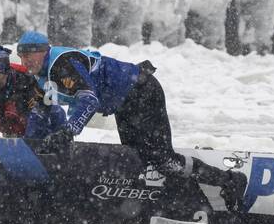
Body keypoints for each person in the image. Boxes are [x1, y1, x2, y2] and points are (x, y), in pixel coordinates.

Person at [15, 31, 184, 177]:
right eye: (21, 57)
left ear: (43, 52)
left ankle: (207, 177)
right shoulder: (41, 75)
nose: (24, 63)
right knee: (135, 156)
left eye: (28, 56)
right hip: (124, 103)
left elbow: (90, 100)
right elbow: (41, 111)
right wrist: (29, 146)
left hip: (142, 91)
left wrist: (67, 132)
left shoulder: (61, 64)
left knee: (164, 161)